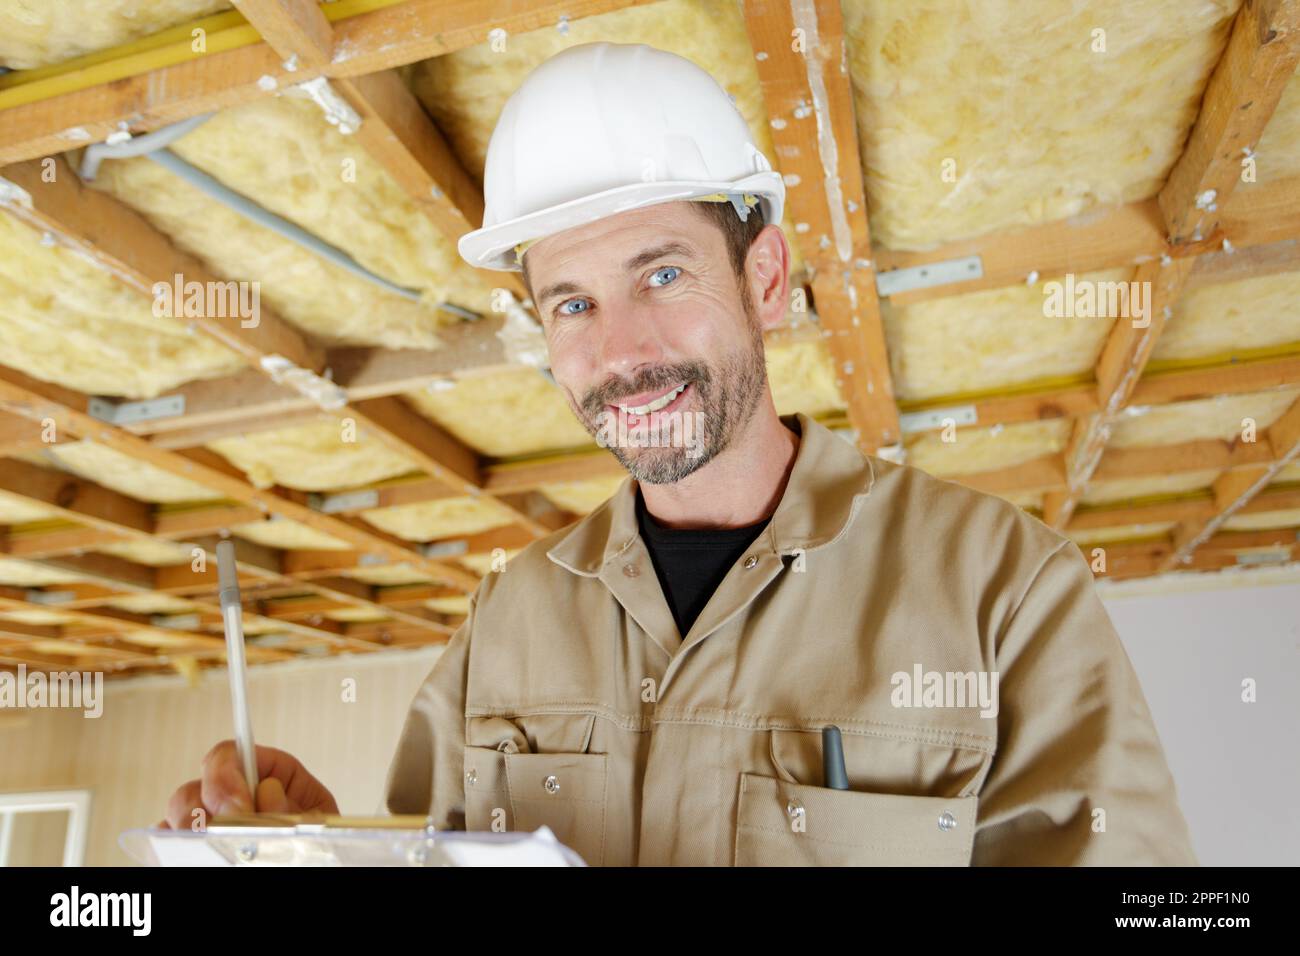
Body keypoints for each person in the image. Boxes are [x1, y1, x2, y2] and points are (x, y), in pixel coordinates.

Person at [164, 42, 1196, 866]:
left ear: (762, 276)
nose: (619, 351)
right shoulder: (505, 618)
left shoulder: (1000, 593)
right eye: (572, 302)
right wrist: (314, 842)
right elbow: (432, 860)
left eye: (660, 275)